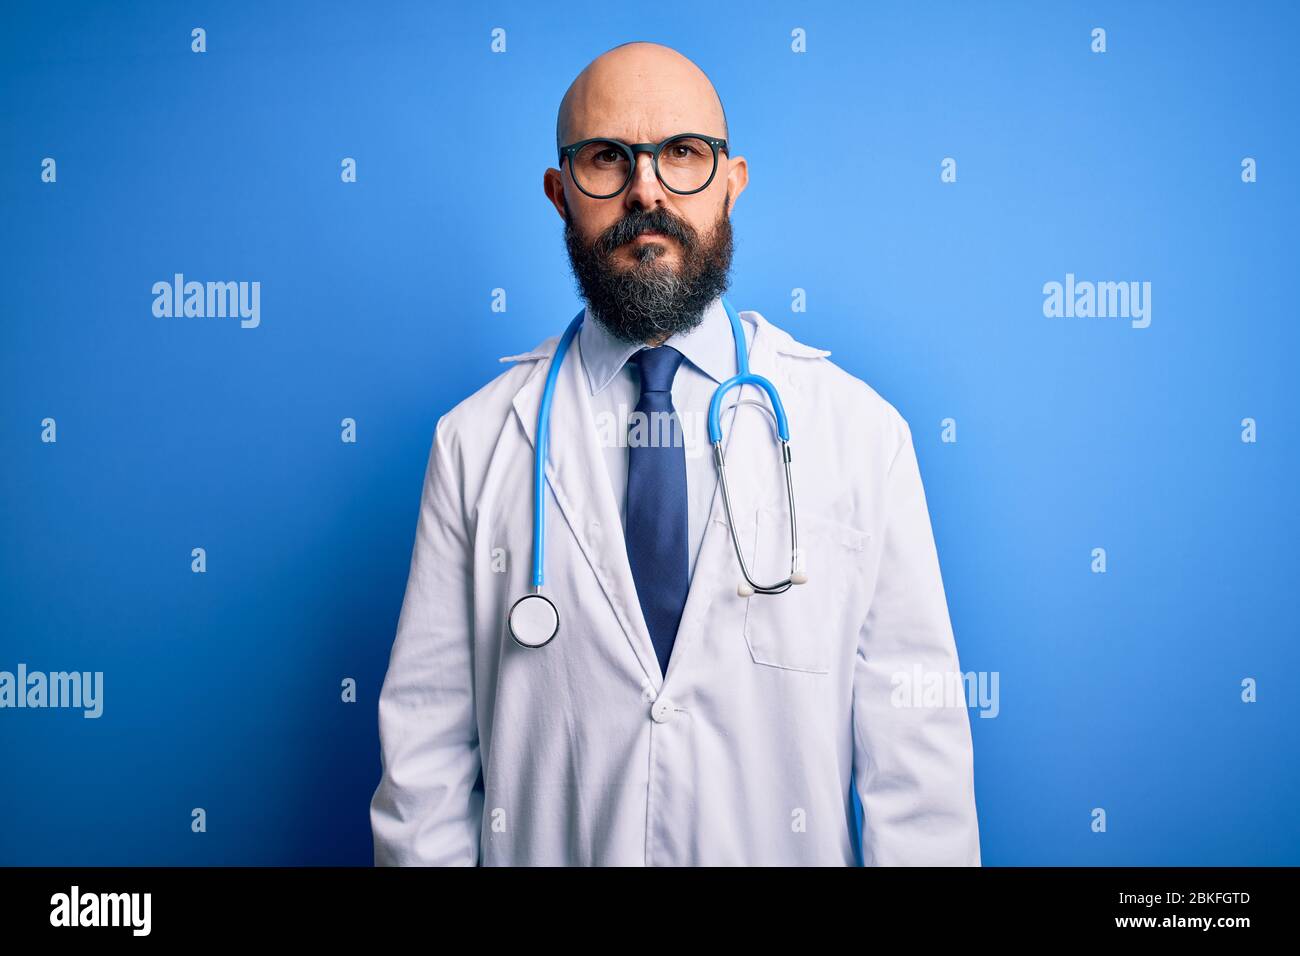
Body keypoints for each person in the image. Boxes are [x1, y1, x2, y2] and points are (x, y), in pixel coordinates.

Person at [369, 40, 980, 866]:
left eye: (684, 154)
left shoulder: (860, 435)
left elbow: (921, 776)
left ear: (733, 182)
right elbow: (425, 768)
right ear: (560, 194)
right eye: (607, 159)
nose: (646, 189)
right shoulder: (474, 443)